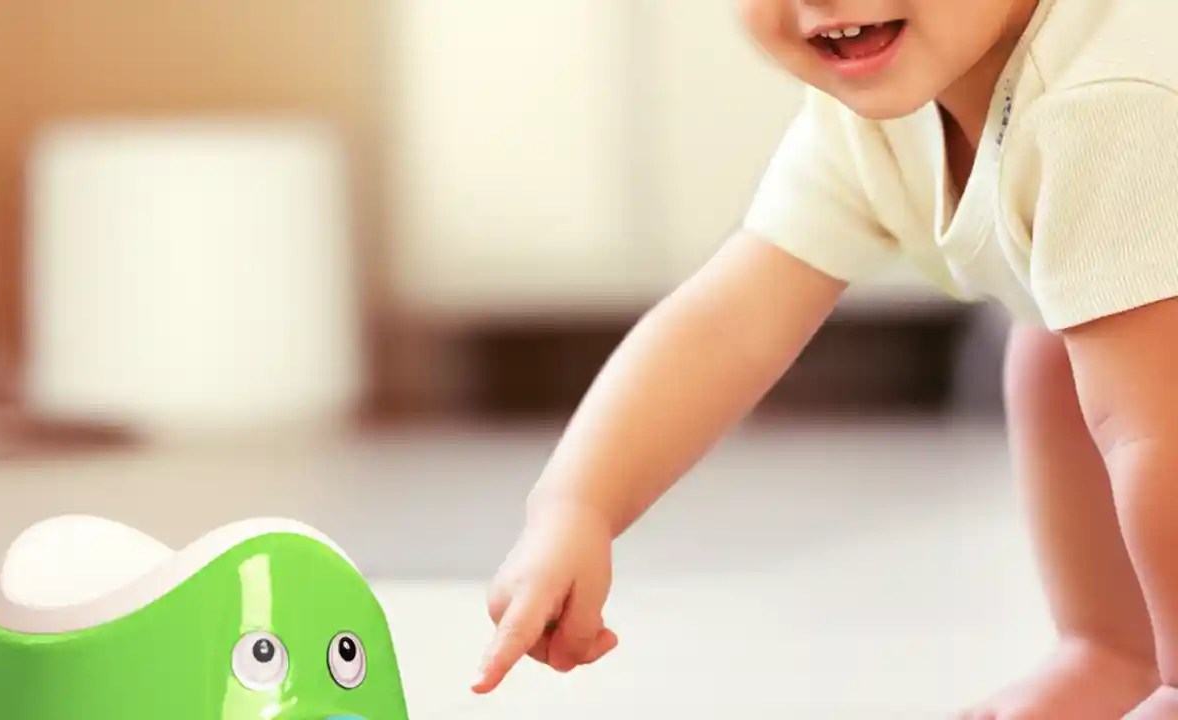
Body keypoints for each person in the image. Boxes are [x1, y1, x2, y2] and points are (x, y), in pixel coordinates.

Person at [469, 0, 1178, 717]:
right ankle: (1114, 652)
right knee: (1053, 355)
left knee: (1139, 385)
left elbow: (1160, 435)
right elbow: (727, 324)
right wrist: (575, 505)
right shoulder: (881, 114)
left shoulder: (1110, 99)